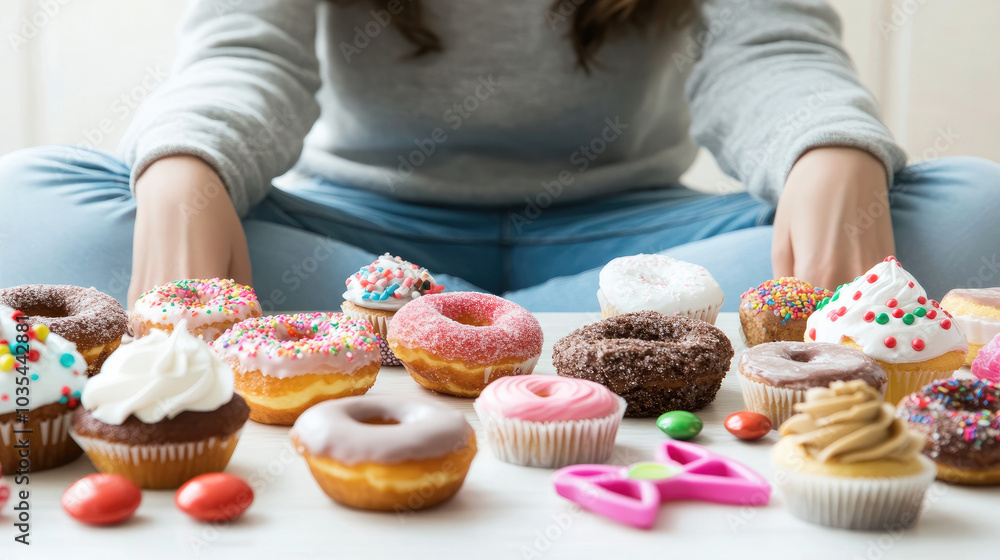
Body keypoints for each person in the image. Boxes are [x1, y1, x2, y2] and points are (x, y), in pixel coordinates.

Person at [2, 0, 998, 313]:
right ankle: (577, 339)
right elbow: (241, 49)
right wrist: (191, 162)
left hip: (637, 227)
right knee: (29, 205)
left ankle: (445, 334)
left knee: (970, 215)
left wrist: (827, 149)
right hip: (354, 225)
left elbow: (771, 45)